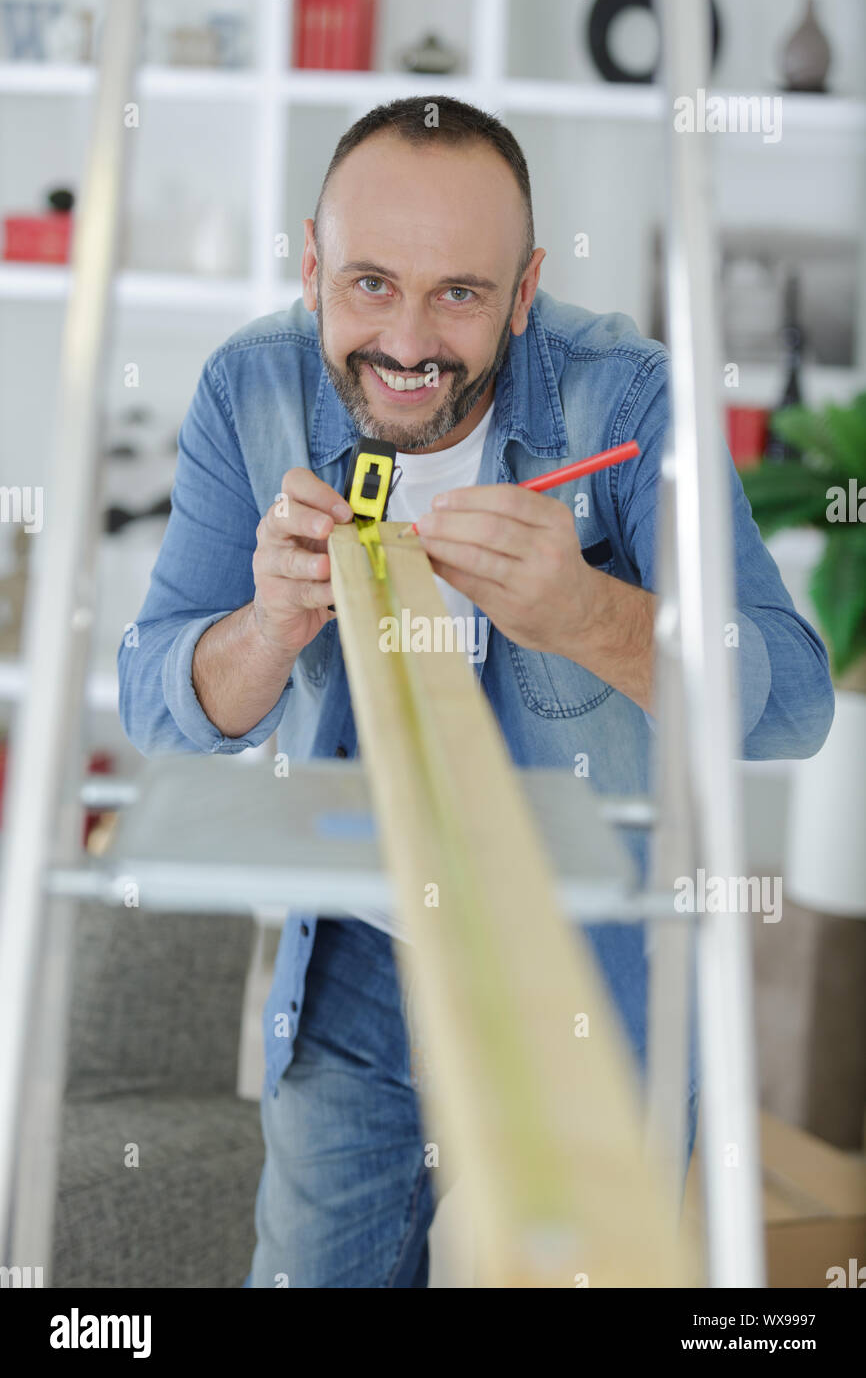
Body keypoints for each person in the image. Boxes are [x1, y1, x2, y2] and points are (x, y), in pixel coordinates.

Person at [118, 96, 835, 1288]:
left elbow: (793, 703)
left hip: (585, 966)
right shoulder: (248, 388)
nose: (406, 341)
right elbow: (158, 703)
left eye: (459, 292)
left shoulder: (628, 396)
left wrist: (588, 615)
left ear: (525, 287)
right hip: (357, 951)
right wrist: (266, 625)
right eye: (367, 284)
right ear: (309, 265)